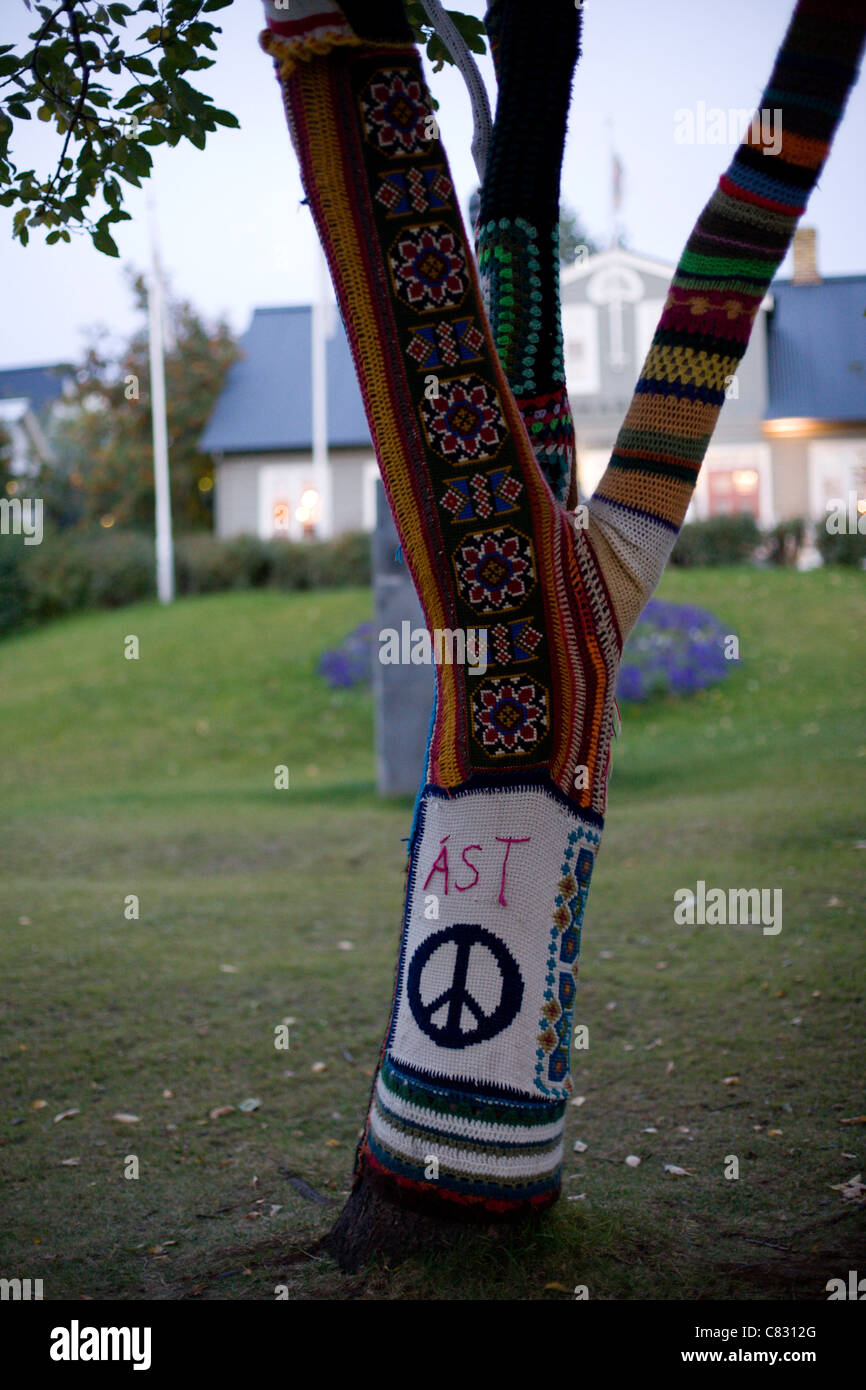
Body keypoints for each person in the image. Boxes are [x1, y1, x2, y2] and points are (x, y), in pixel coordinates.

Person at [259, 0, 865, 1219]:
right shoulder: (555, 591)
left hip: (518, 782)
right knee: (518, 327)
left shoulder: (562, 596)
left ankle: (455, 1153)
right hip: (526, 740)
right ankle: (456, 1150)